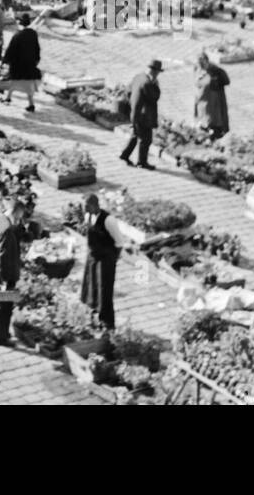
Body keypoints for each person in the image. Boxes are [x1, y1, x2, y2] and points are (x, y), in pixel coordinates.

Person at [80, 193, 127, 332]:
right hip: (93, 257)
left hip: (105, 260)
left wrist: (113, 259)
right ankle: (93, 316)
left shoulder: (108, 220)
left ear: (94, 205)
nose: (84, 210)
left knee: (104, 291)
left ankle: (107, 323)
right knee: (90, 287)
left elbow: (119, 242)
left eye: (86, 206)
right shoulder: (88, 216)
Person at [0, 197, 26, 345]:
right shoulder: (8, 230)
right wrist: (6, 279)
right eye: (20, 216)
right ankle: (0, 337)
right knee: (5, 305)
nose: (20, 219)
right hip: (6, 273)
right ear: (17, 213)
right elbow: (5, 256)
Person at [119, 60, 163, 170]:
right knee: (146, 139)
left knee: (135, 135)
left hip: (135, 113)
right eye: (157, 72)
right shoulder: (148, 83)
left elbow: (128, 91)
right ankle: (142, 162)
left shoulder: (138, 77)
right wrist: (156, 85)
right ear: (155, 72)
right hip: (144, 116)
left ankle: (125, 155)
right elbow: (154, 97)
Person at [0, 12, 41, 111]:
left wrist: (4, 60)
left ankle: (9, 99)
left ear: (19, 22)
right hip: (30, 64)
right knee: (28, 85)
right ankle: (28, 103)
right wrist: (36, 60)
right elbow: (37, 48)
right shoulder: (33, 33)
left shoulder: (17, 35)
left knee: (14, 82)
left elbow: (11, 50)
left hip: (18, 65)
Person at [194, 52, 230, 140]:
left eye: (203, 63)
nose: (202, 65)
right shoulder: (199, 71)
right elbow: (198, 87)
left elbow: (226, 81)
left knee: (215, 130)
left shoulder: (216, 71)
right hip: (203, 107)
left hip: (214, 109)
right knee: (205, 130)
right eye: (200, 63)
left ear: (207, 61)